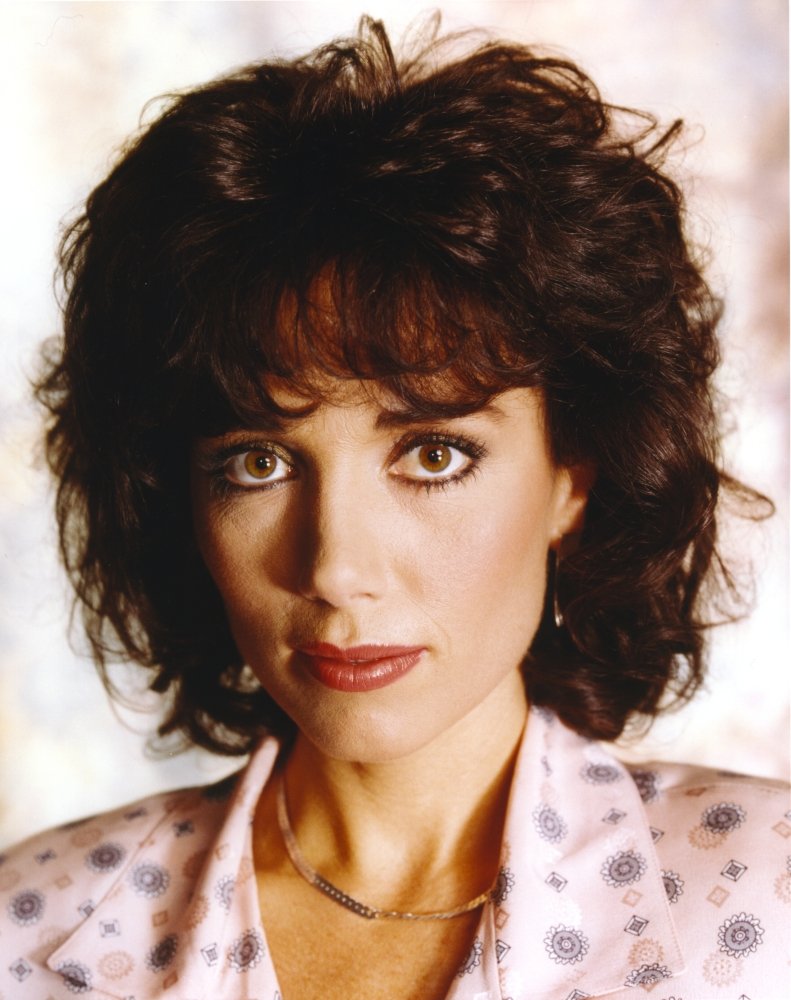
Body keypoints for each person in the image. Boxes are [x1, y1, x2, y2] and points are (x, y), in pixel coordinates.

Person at [1, 17, 787, 1000]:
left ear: (572, 478)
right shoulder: (33, 930)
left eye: (431, 454)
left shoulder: (762, 902)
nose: (335, 568)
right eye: (256, 462)